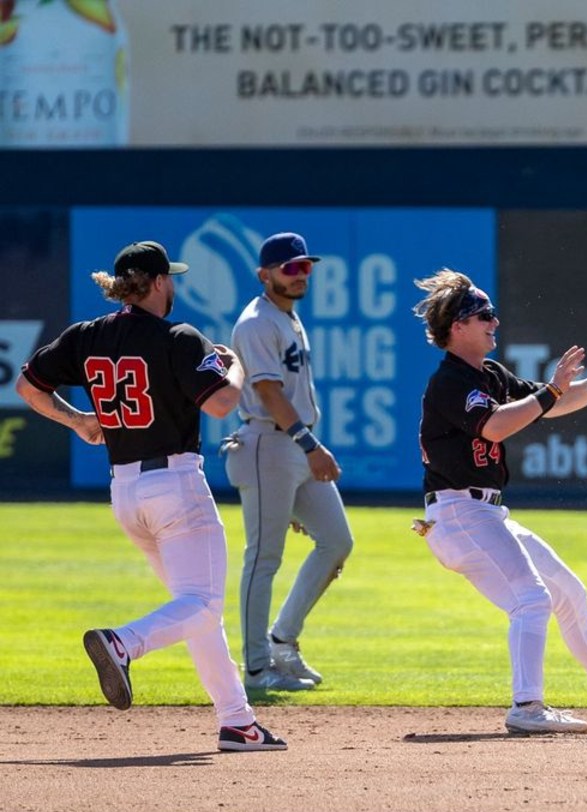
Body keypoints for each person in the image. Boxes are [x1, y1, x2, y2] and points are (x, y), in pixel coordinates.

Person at [18, 240, 286, 751]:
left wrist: (77, 422)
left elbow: (29, 387)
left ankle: (238, 721)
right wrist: (233, 364)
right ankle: (123, 643)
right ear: (160, 282)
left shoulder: (86, 336)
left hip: (126, 491)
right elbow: (223, 402)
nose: (175, 287)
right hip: (176, 486)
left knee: (194, 607)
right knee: (202, 605)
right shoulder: (179, 338)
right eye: (172, 279)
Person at [411, 270, 587, 734]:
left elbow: (546, 405)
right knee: (532, 599)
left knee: (568, 591)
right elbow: (498, 426)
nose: (494, 322)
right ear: (458, 327)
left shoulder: (489, 374)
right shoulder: (450, 382)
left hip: (487, 512)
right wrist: (551, 389)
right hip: (458, 513)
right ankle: (527, 707)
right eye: (484, 316)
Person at [223, 232, 353, 692]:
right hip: (270, 444)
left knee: (336, 541)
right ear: (265, 274)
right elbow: (268, 392)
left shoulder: (286, 318)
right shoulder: (257, 322)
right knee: (263, 559)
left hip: (291, 448)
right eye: (290, 268)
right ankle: (257, 669)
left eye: (306, 267)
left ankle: (283, 640)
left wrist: (304, 448)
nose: (301, 275)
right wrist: (309, 445)